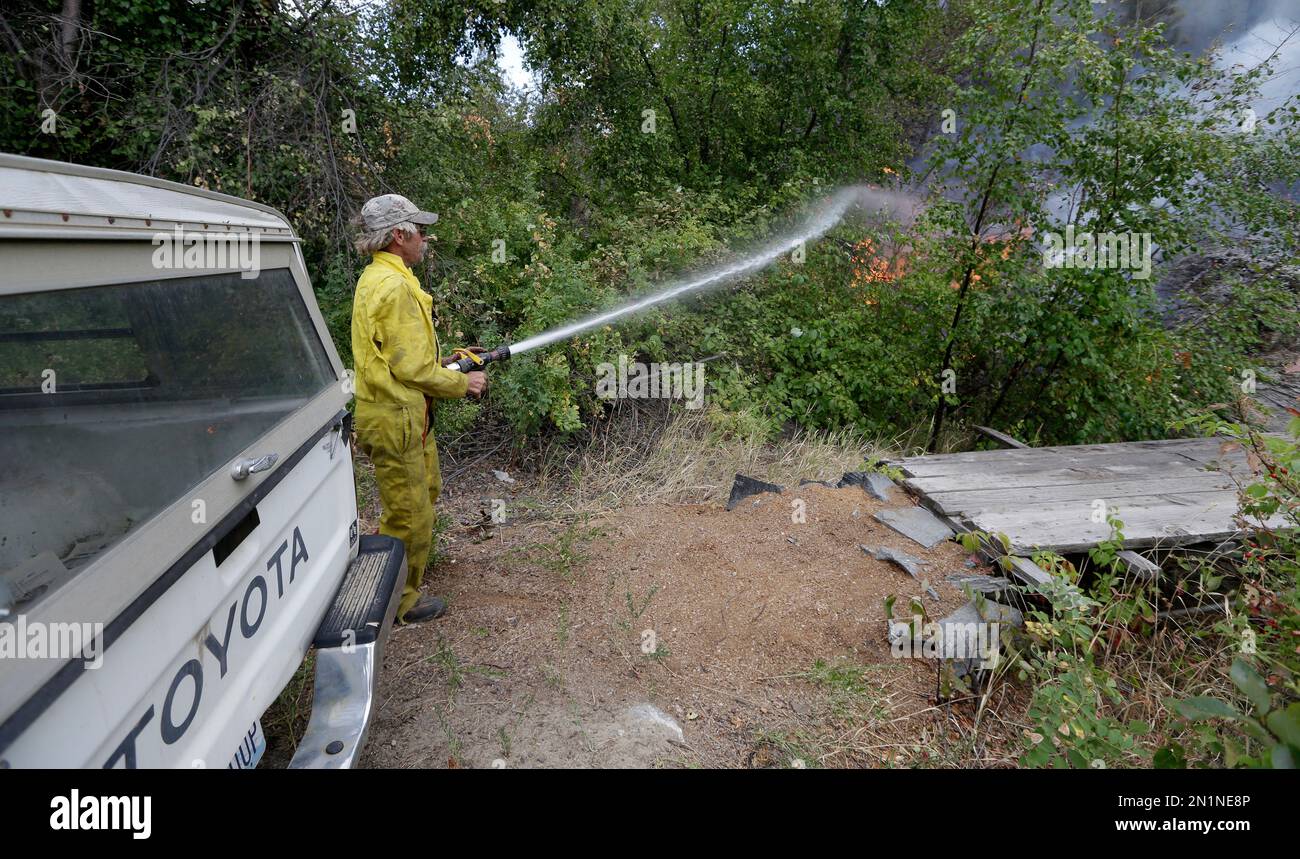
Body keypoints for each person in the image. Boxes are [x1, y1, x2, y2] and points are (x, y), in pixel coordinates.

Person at [350, 193, 487, 622]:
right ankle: (400, 603)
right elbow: (410, 368)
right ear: (398, 236)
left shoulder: (385, 277)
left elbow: (401, 357)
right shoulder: (393, 287)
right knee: (409, 515)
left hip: (407, 415)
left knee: (420, 497)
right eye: (420, 231)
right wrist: (462, 382)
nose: (426, 239)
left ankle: (394, 576)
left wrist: (442, 363)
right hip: (396, 418)